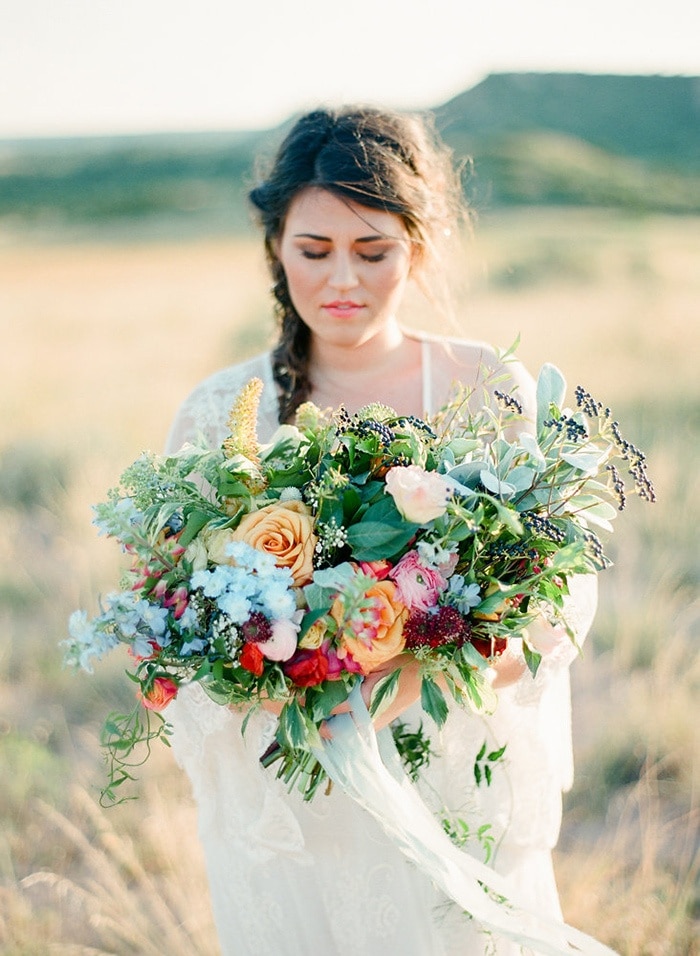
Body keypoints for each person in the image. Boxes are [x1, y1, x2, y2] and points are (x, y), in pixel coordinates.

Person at [164, 107, 599, 956]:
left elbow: (557, 602)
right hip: (299, 781)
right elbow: (180, 615)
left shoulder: (485, 385)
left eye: (374, 252)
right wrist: (284, 676)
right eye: (313, 250)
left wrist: (411, 670)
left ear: (419, 247)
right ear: (275, 249)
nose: (342, 283)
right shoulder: (219, 413)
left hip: (451, 764)